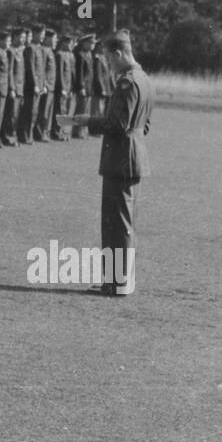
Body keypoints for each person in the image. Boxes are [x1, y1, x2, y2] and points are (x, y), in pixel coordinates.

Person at [69, 32, 153, 297]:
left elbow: (117, 124)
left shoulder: (128, 82)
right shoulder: (145, 80)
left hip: (121, 158)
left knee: (117, 223)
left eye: (108, 58)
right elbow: (145, 125)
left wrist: (85, 120)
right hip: (132, 156)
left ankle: (117, 282)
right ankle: (119, 280)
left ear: (118, 53)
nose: (108, 64)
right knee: (123, 221)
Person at [72, 33, 96, 140]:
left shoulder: (89, 54)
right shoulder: (80, 54)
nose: (93, 45)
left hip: (89, 86)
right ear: (85, 43)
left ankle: (83, 130)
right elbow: (80, 73)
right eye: (91, 43)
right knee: (81, 109)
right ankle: (77, 130)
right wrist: (81, 87)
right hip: (83, 87)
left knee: (86, 110)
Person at [53, 33, 75, 141]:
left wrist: (72, 87)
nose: (72, 45)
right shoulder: (60, 54)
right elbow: (60, 72)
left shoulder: (71, 55)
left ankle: (64, 131)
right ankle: (57, 132)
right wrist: (62, 87)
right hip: (62, 87)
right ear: (64, 43)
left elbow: (72, 73)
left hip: (69, 86)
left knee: (66, 111)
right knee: (60, 110)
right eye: (70, 43)